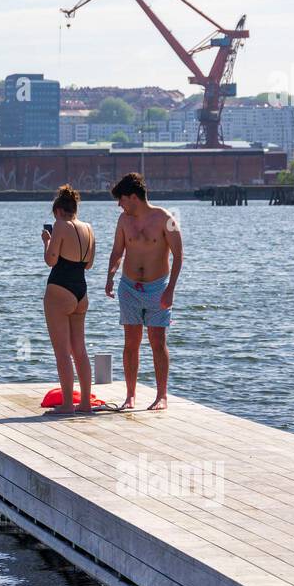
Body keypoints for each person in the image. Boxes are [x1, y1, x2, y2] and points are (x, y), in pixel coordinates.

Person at [104, 172, 183, 410]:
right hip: (129, 287)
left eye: (122, 200)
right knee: (131, 341)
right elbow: (118, 251)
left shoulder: (165, 218)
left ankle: (162, 396)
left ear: (133, 197)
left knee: (157, 341)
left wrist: (170, 289)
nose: (119, 205)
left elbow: (179, 256)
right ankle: (130, 395)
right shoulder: (123, 221)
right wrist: (110, 275)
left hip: (157, 287)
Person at [42, 184, 96, 414]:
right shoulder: (89, 228)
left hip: (59, 289)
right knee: (79, 350)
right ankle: (84, 403)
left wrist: (47, 240)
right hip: (81, 291)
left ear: (58, 211)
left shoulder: (60, 226)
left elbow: (51, 260)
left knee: (62, 352)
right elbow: (89, 264)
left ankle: (66, 405)